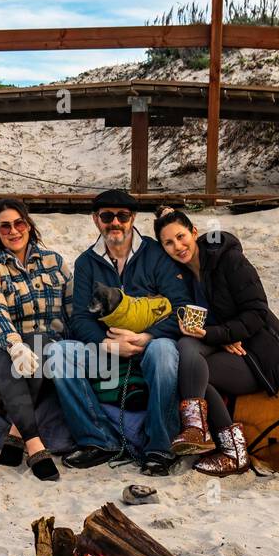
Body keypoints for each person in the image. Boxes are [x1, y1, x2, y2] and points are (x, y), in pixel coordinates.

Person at [154, 207, 279, 476]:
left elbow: (257, 311)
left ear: (194, 232)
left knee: (194, 367)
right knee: (187, 350)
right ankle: (204, 434)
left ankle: (225, 446)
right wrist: (219, 335)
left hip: (259, 355)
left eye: (181, 236)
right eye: (168, 242)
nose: (178, 246)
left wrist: (221, 334)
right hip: (223, 344)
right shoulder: (181, 276)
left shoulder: (229, 260)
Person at [53, 189, 191, 477]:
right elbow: (79, 317)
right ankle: (98, 440)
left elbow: (180, 305)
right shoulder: (87, 262)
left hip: (150, 347)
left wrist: (147, 337)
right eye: (107, 216)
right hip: (107, 350)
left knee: (165, 351)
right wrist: (106, 343)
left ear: (133, 218)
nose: (115, 222)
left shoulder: (155, 253)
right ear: (95, 220)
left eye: (122, 216)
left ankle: (160, 448)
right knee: (57, 352)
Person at [0, 197, 71, 481]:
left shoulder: (55, 263)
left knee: (40, 345)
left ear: (28, 225)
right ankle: (35, 445)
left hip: (44, 346)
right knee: (11, 364)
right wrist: (15, 345)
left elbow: (72, 309)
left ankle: (15, 435)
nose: (13, 231)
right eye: (5, 227)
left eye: (19, 223)